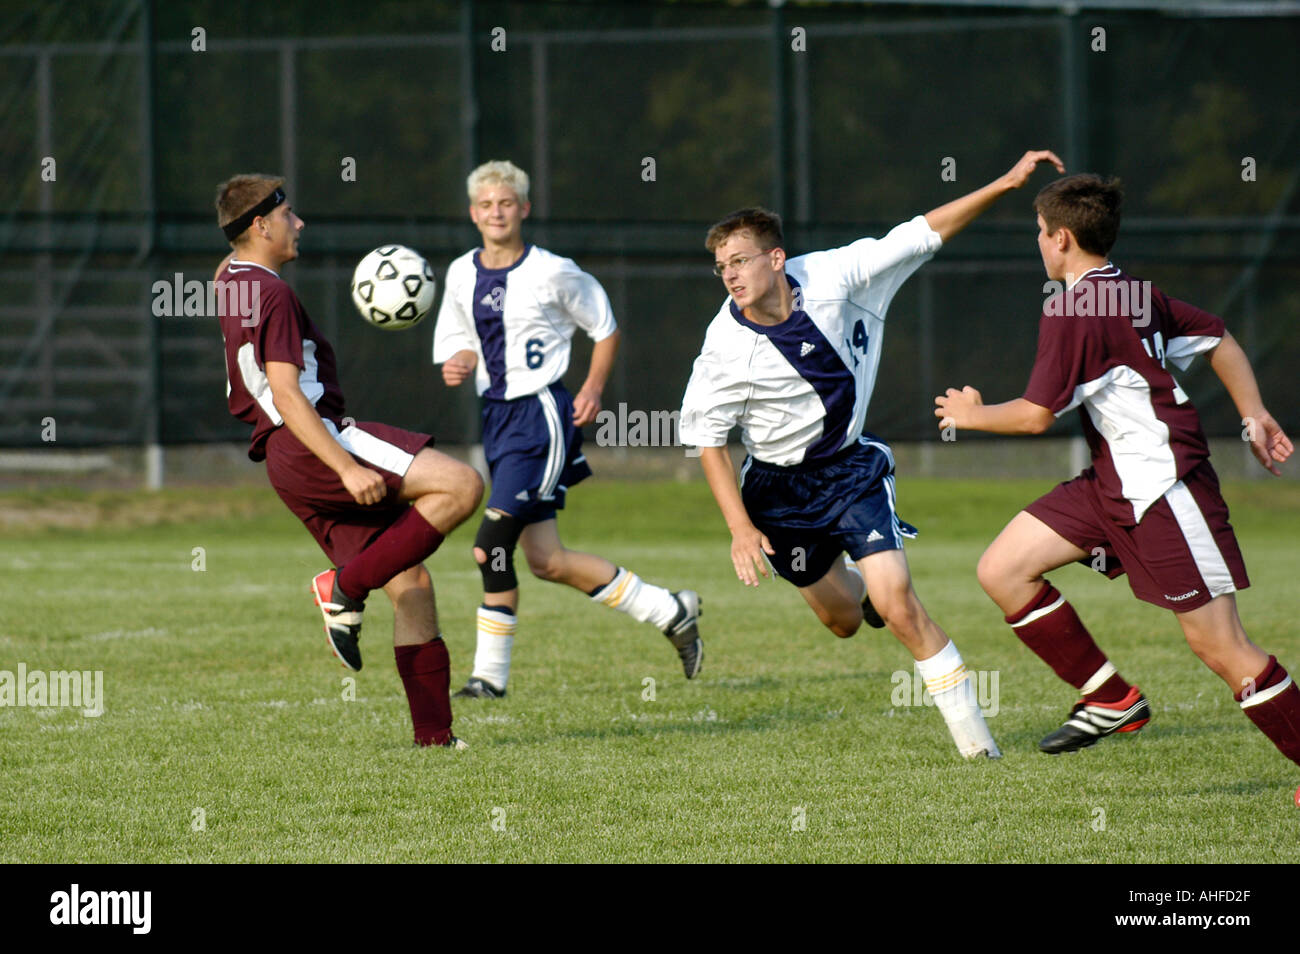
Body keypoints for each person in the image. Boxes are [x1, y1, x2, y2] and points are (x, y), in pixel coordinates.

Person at [680, 151, 1065, 760]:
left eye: (740, 260)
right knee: (845, 622)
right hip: (777, 494)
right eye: (720, 266)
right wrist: (740, 528)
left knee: (899, 604)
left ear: (776, 258)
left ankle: (978, 748)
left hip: (851, 472)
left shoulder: (838, 274)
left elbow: (924, 231)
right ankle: (857, 586)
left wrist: (1008, 183)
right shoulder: (723, 345)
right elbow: (707, 440)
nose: (729, 274)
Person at [934, 173, 1299, 785]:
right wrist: (1254, 413)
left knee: (1222, 648)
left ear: (1063, 239)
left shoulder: (1074, 308)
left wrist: (969, 415)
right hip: (1111, 485)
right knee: (1002, 568)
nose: (1040, 245)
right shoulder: (1129, 291)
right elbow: (1221, 337)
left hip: (1163, 490)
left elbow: (1034, 416)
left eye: (1041, 234)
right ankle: (1110, 699)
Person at [213, 173, 483, 748]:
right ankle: (343, 587)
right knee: (462, 486)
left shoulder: (231, 279)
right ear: (260, 226)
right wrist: (345, 466)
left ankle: (434, 738)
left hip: (283, 462)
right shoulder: (274, 293)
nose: (299, 223)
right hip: (314, 440)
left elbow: (228, 266)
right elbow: (287, 393)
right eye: (289, 215)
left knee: (409, 577)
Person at [433, 160, 702, 699]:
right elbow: (456, 339)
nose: (496, 212)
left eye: (506, 203)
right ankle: (669, 609)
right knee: (545, 560)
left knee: (490, 545)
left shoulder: (553, 271)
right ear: (472, 213)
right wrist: (458, 362)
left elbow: (604, 328)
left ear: (524, 209)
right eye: (486, 205)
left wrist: (594, 388)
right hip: (497, 418)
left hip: (542, 417)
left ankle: (489, 679)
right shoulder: (462, 272)